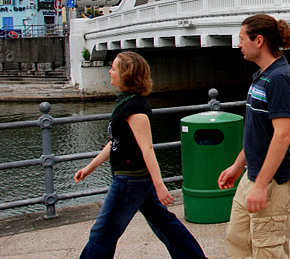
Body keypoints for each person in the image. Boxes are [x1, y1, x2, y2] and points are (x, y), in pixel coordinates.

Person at [74, 52, 206, 259]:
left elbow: (147, 148)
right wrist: (89, 168)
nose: (110, 71)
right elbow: (115, 142)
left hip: (131, 179)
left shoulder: (135, 107)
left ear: (127, 75)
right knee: (164, 223)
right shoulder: (125, 102)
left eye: (114, 68)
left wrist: (160, 185)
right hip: (135, 179)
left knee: (103, 231)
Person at [218, 14, 290, 259]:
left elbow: (283, 135)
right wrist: (237, 166)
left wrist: (262, 185)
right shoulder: (262, 75)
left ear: (259, 41)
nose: (238, 44)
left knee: (268, 250)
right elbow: (258, 133)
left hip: (274, 182)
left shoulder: (279, 79)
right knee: (238, 240)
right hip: (251, 176)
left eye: (242, 39)